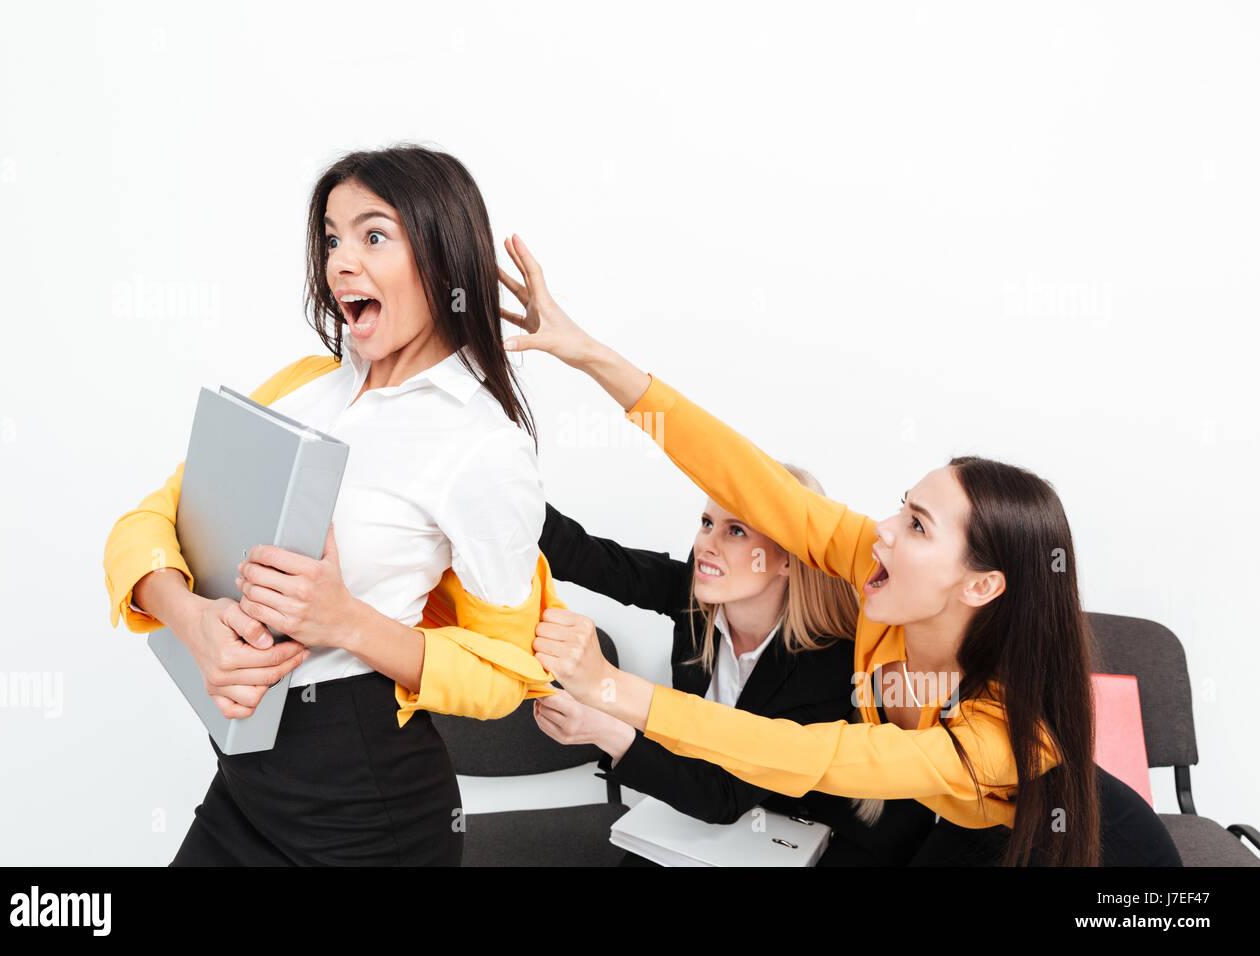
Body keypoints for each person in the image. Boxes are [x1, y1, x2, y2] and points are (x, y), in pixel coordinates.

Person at [496, 234, 1182, 866]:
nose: (881, 529)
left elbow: (802, 754)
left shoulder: (1000, 737)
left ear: (980, 585)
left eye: (916, 525)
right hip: (965, 826)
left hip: (1091, 846)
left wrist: (609, 689)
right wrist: (584, 352)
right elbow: (744, 475)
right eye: (901, 506)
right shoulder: (878, 575)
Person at [101, 147, 565, 866]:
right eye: (332, 237)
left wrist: (345, 620)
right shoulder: (303, 384)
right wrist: (192, 621)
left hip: (364, 809)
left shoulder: (483, 448)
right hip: (246, 780)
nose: (340, 261)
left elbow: (506, 673)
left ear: (442, 258)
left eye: (373, 236)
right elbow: (150, 517)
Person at [535, 489, 942, 865]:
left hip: (830, 837)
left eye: (736, 531)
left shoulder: (825, 661)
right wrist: (499, 486)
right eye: (707, 523)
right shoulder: (698, 595)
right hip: (732, 821)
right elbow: (586, 554)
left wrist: (606, 728)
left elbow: (724, 796)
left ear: (787, 557)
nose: (706, 543)